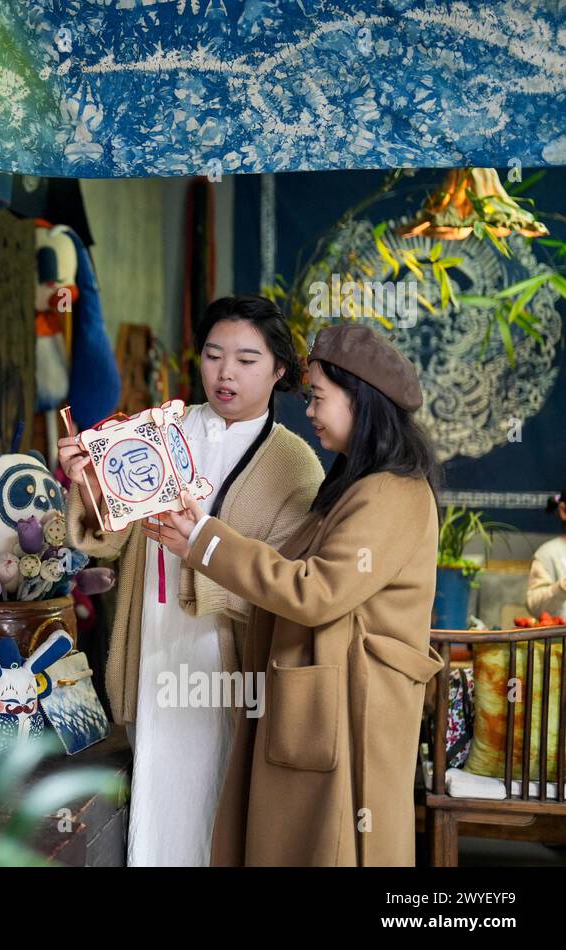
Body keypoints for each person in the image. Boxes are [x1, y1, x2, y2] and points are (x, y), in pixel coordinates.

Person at [150, 322, 444, 866]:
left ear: (362, 402)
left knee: (328, 846)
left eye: (318, 398)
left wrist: (204, 541)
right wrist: (201, 535)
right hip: (320, 700)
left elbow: (314, 591)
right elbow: (293, 571)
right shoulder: (359, 486)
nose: (308, 410)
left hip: (349, 709)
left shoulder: (391, 493)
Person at [59, 295, 323, 867]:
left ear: (280, 371)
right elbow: (110, 534)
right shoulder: (160, 430)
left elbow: (289, 584)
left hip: (226, 655)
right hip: (156, 638)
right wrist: (87, 484)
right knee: (157, 790)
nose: (226, 373)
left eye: (248, 360)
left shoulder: (294, 463)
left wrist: (200, 552)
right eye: (213, 354)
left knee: (220, 796)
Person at [527, 487, 566, 618]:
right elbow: (534, 606)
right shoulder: (547, 554)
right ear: (563, 511)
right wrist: (561, 587)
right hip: (559, 637)